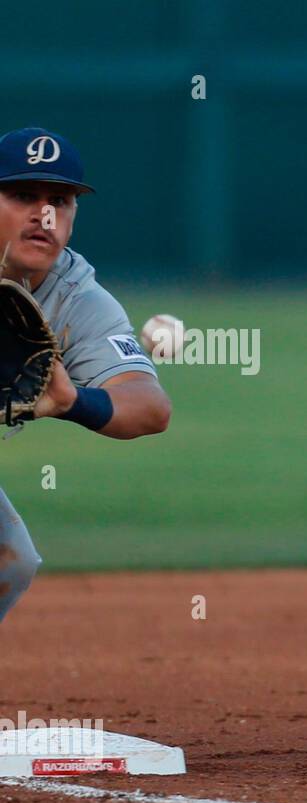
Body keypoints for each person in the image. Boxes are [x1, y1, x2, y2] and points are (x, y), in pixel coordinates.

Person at [0, 127, 171, 624]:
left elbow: (150, 406)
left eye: (60, 199)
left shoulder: (73, 295)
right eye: (22, 196)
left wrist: (74, 401)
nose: (44, 214)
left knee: (11, 561)